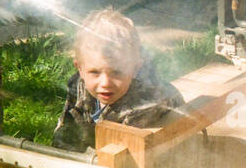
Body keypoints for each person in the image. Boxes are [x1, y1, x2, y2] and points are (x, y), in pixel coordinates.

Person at [53, 8, 185, 152]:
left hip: (168, 152)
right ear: (80, 69)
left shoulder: (145, 104)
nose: (105, 83)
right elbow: (65, 135)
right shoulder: (78, 85)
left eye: (116, 73)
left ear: (135, 69)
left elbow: (124, 157)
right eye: (95, 72)